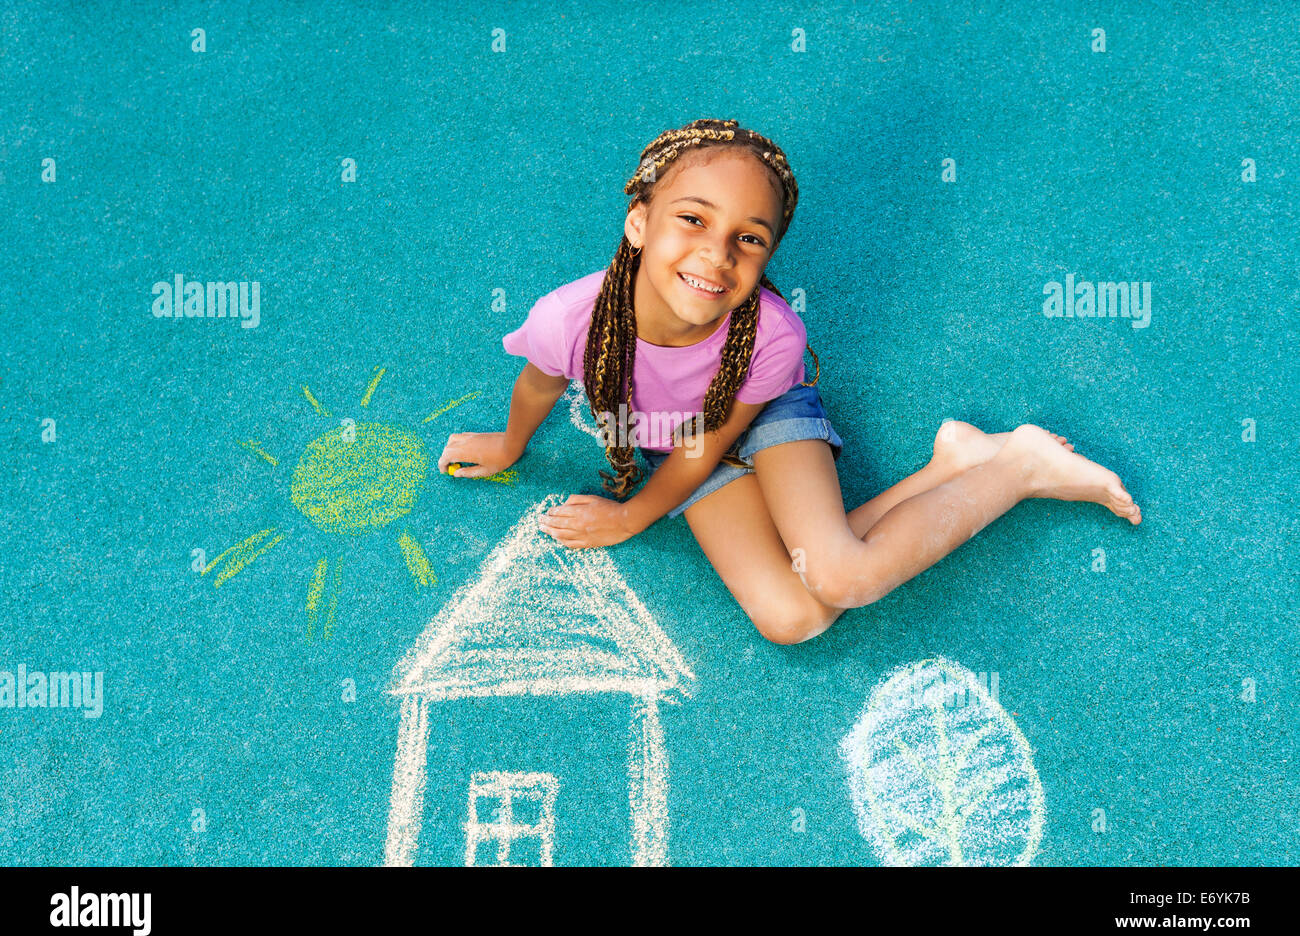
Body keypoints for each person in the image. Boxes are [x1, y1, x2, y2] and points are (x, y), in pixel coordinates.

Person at [436, 118, 1142, 645]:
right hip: (679, 441)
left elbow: (713, 439)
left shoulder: (770, 335)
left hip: (758, 419)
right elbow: (537, 386)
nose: (717, 254)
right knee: (794, 617)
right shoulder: (569, 317)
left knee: (844, 579)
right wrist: (507, 443)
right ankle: (950, 463)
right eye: (692, 219)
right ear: (639, 222)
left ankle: (1019, 466)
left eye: (750, 236)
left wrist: (634, 514)